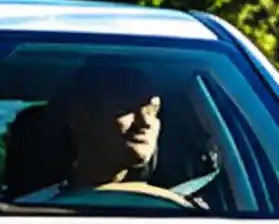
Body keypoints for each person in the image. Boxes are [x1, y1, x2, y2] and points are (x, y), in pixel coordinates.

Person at [16, 64, 190, 207]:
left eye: (153, 111)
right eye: (125, 109)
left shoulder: (182, 211)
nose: (145, 122)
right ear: (80, 119)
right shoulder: (25, 214)